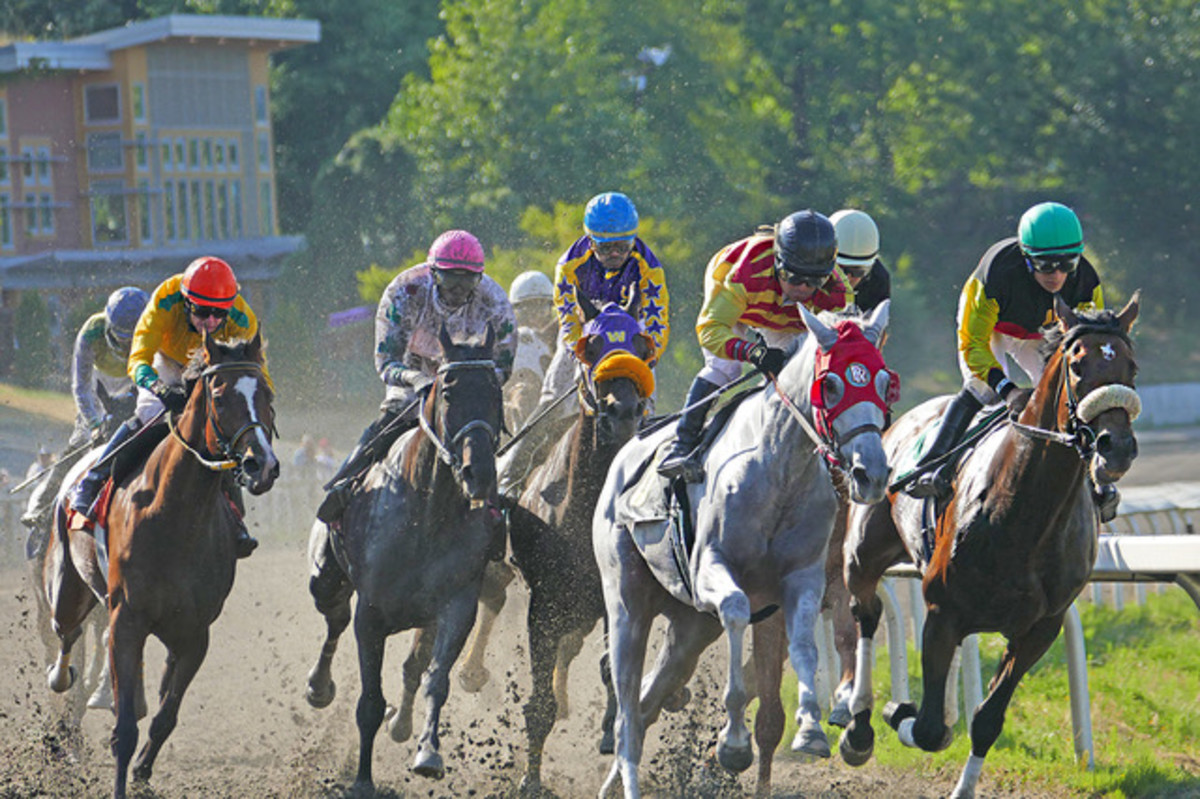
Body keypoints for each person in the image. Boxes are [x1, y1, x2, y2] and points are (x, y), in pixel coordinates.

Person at [906, 201, 1116, 519]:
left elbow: (1085, 344)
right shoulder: (996, 274)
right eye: (1045, 265)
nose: (1057, 275)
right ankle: (932, 464)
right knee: (983, 391)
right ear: (1026, 257)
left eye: (1067, 264)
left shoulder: (1086, 281)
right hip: (990, 330)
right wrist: (1007, 390)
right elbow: (974, 344)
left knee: (1066, 396)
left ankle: (1094, 479)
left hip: (1038, 335)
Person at [69, 256, 269, 558]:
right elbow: (138, 359)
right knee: (151, 415)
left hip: (209, 365)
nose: (212, 322)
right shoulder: (166, 297)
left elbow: (257, 374)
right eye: (203, 312)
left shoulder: (243, 318)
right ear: (186, 302)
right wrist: (160, 389)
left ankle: (234, 518)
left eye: (219, 313)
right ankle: (92, 481)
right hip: (167, 360)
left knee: (219, 429)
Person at [316, 229, 517, 525]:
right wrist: (419, 381)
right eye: (451, 279)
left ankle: (497, 506)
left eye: (468, 280)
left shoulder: (495, 302)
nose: (458, 290)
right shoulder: (404, 292)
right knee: (389, 422)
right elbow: (387, 362)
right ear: (433, 273)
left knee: (484, 433)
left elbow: (503, 365)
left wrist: (471, 385)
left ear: (480, 278)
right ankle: (343, 485)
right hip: (414, 378)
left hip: (466, 383)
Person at [658, 209, 852, 479]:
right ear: (778, 263)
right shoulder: (743, 275)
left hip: (787, 317)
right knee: (726, 370)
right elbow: (710, 330)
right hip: (740, 302)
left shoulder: (838, 293)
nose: (803, 290)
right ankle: (681, 447)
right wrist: (752, 351)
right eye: (794, 278)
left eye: (814, 281)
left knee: (798, 375)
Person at [498, 191, 669, 496]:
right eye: (606, 247)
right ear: (591, 241)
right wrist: (582, 355)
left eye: (623, 246)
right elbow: (567, 319)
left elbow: (657, 323)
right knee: (550, 401)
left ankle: (655, 480)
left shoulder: (649, 267)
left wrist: (647, 359)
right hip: (587, 339)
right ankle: (510, 476)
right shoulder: (569, 265)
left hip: (630, 339)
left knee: (644, 405)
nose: (615, 254)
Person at [20, 287, 150, 532]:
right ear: (109, 328)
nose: (126, 348)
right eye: (121, 340)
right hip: (98, 400)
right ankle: (41, 505)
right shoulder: (91, 332)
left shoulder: (156, 329)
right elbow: (81, 386)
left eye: (133, 340)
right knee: (78, 446)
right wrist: (95, 423)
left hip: (138, 395)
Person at [505, 270, 558, 430]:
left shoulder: (556, 341)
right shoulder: (507, 341)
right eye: (528, 309)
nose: (535, 315)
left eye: (541, 308)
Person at [830, 209, 891, 313]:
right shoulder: (803, 271)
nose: (847, 278)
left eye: (857, 272)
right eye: (840, 269)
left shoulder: (878, 280)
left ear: (869, 271)